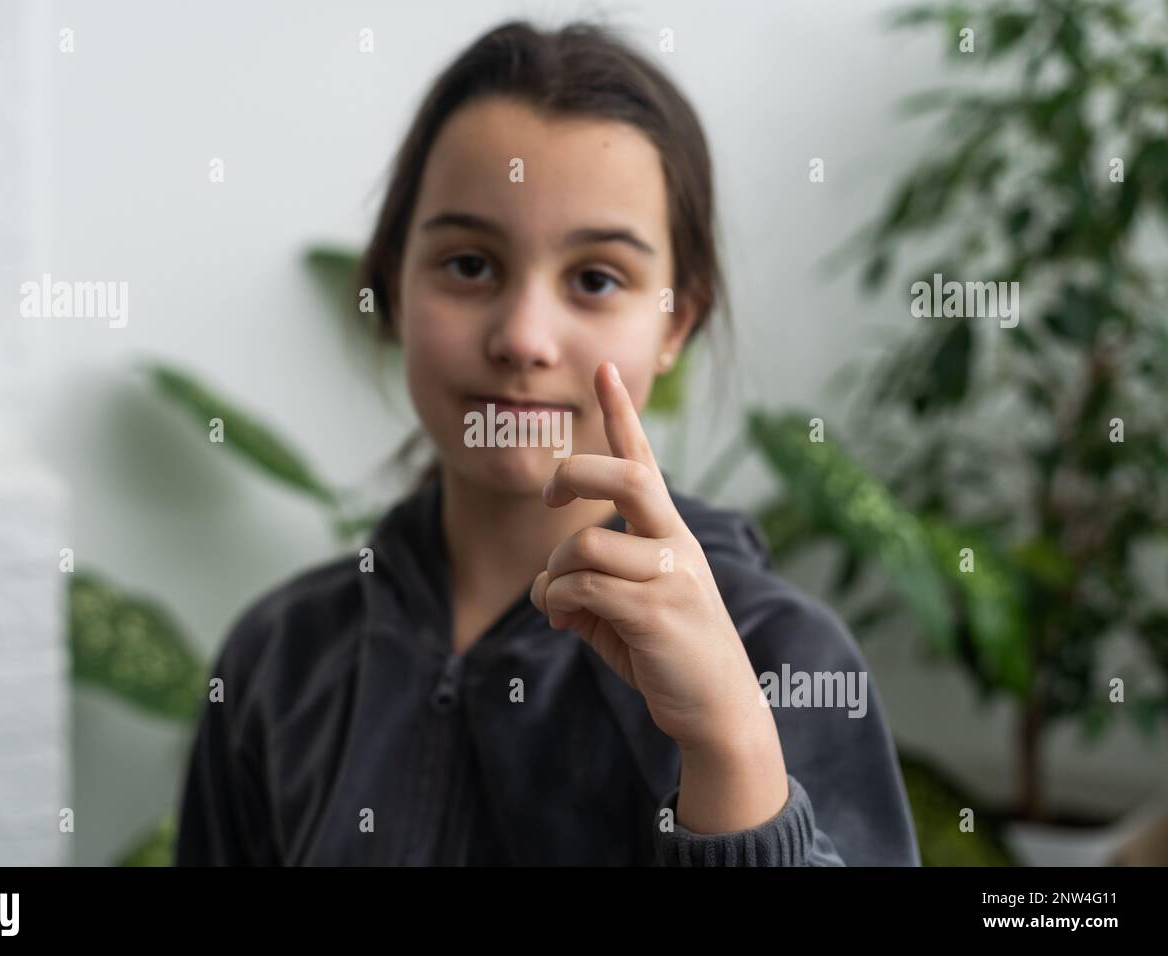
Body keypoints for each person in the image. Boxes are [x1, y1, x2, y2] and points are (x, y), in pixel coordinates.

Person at [175, 18, 921, 866]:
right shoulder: (279, 657)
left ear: (676, 321)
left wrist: (731, 750)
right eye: (468, 265)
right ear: (392, 283)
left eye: (596, 279)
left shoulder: (786, 657)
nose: (524, 337)